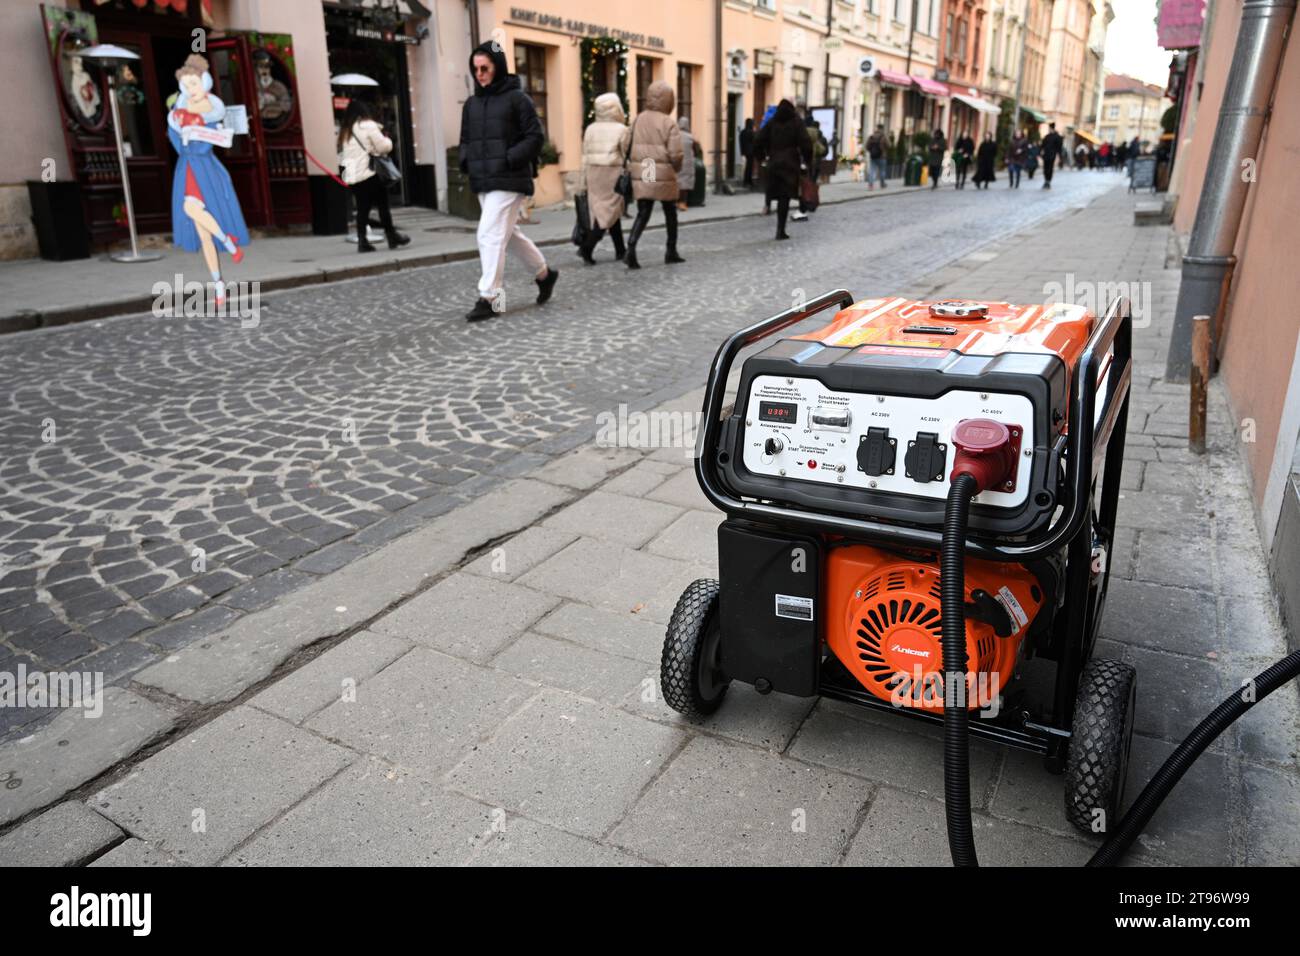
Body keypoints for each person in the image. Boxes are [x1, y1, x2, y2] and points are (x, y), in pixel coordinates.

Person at [459, 41, 557, 322]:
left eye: (484, 68)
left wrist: (510, 158)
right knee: (507, 235)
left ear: (498, 67)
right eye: (475, 69)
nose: (479, 74)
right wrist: (466, 159)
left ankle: (490, 297)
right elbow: (465, 139)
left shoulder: (518, 99)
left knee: (488, 234)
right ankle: (544, 274)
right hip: (483, 179)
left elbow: (535, 137)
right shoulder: (472, 104)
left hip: (511, 179)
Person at [167, 54, 250, 310]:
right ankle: (219, 284)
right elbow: (174, 140)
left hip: (204, 168)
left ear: (204, 84)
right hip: (187, 167)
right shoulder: (177, 114)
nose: (191, 89)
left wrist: (200, 134)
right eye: (187, 84)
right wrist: (182, 136)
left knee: (190, 209)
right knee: (203, 235)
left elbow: (214, 142)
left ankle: (226, 241)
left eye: (195, 83)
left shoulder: (214, 112)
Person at [625, 79, 684, 269]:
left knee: (644, 211)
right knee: (670, 213)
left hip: (646, 166)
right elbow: (675, 154)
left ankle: (631, 247)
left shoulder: (639, 118)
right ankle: (671, 250)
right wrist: (676, 168)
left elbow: (626, 144)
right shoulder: (668, 123)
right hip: (663, 168)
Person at [338, 100, 410, 255]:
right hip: (370, 173)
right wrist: (388, 139)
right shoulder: (368, 126)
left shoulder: (345, 132)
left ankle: (362, 241)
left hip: (354, 176)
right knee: (383, 206)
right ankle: (392, 236)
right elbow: (384, 147)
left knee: (363, 209)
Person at [577, 91, 628, 264]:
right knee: (607, 212)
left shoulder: (590, 128)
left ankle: (621, 250)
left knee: (606, 210)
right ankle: (587, 248)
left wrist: (583, 180)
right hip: (611, 173)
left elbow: (584, 155)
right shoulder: (622, 129)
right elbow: (626, 153)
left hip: (593, 172)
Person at [753, 99, 812, 240]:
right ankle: (781, 230)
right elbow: (806, 143)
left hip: (774, 162)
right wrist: (807, 161)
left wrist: (762, 157)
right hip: (790, 164)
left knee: (776, 194)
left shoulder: (772, 122)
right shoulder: (796, 122)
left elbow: (758, 140)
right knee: (784, 197)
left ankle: (774, 219)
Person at [676, 116, 695, 212]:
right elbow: (696, 148)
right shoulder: (690, 136)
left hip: (677, 162)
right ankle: (682, 203)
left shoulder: (675, 135)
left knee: (677, 183)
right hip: (688, 162)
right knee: (685, 184)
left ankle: (676, 202)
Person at [1040, 122, 1063, 189]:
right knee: (1045, 168)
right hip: (1046, 155)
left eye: (1049, 128)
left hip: (1052, 155)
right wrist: (1040, 152)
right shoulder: (1047, 136)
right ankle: (1046, 180)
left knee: (1050, 168)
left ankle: (1048, 181)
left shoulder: (1058, 137)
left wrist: (1059, 156)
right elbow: (1042, 145)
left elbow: (1059, 148)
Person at [866, 124, 888, 189]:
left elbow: (867, 146)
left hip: (873, 156)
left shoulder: (872, 136)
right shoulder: (884, 137)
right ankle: (882, 184)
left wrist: (872, 151)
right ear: (882, 129)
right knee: (882, 171)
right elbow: (889, 145)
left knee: (872, 170)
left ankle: (871, 185)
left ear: (877, 128)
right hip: (882, 157)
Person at [740, 118, 756, 189]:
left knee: (748, 167)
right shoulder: (751, 132)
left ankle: (747, 181)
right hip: (751, 152)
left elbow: (741, 143)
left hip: (745, 151)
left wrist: (742, 152)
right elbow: (754, 140)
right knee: (749, 167)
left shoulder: (743, 132)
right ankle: (748, 181)